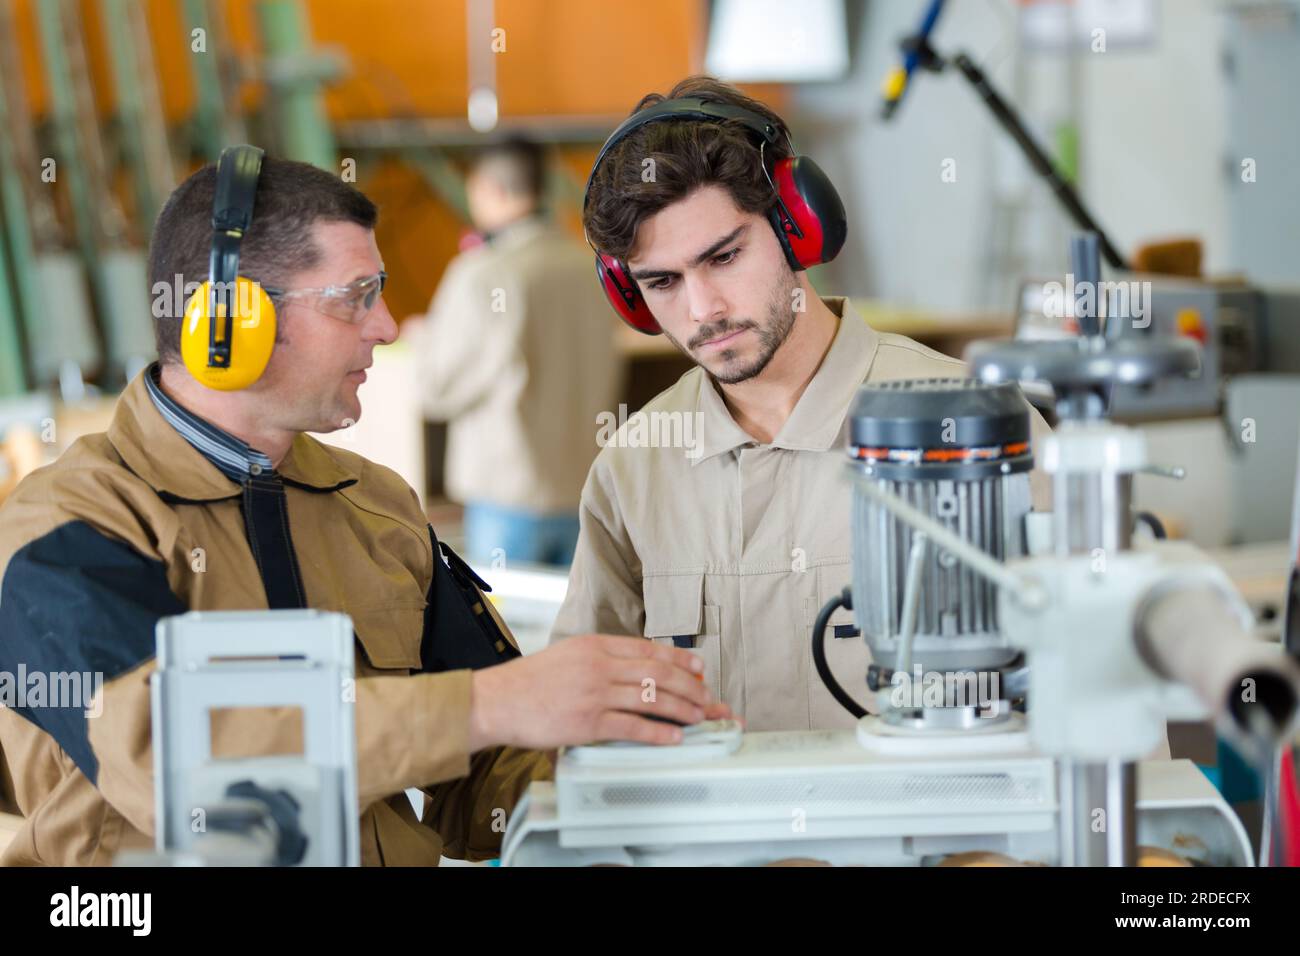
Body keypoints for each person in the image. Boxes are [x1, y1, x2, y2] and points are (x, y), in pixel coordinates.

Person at [0, 149, 727, 866]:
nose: (384, 325)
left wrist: (639, 762)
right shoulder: (68, 526)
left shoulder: (376, 506)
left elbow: (484, 788)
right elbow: (179, 769)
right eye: (355, 296)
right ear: (229, 321)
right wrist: (488, 704)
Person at [551, 76, 1053, 732]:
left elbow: (1102, 692)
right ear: (629, 295)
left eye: (725, 256)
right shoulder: (633, 470)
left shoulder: (975, 428)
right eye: (663, 282)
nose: (703, 310)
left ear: (797, 228)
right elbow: (582, 726)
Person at [407, 137, 623, 567]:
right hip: (585, 492)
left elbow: (438, 389)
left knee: (504, 632)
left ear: (491, 189)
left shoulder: (483, 273)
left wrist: (424, 339)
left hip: (508, 501)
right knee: (575, 630)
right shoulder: (591, 268)